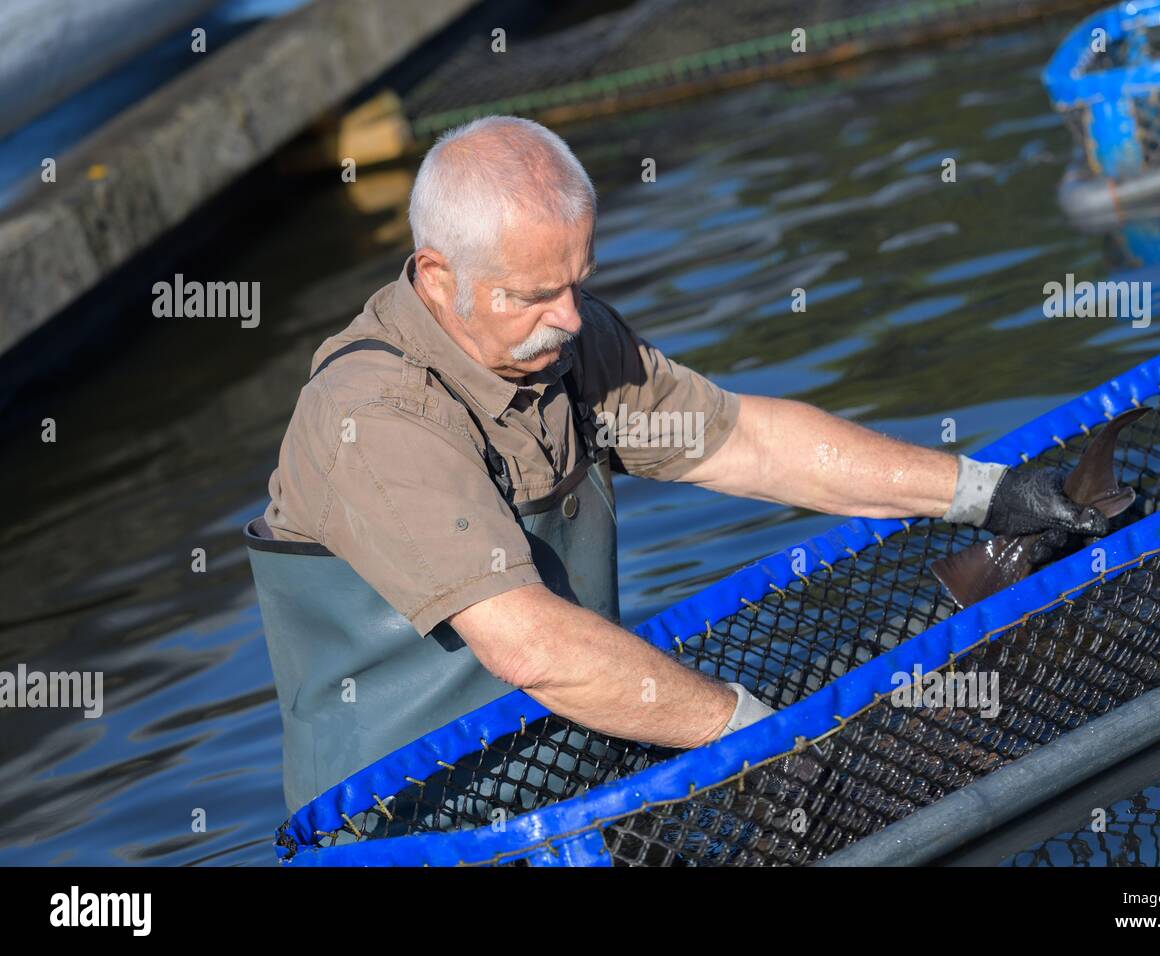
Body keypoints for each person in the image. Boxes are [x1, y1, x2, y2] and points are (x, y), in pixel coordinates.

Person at [246, 115, 1107, 814]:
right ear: (437, 279)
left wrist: (982, 494)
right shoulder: (376, 415)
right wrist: (749, 731)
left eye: (578, 280)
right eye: (536, 295)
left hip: (570, 775)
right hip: (404, 821)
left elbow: (749, 443)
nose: (573, 318)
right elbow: (530, 647)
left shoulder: (559, 341)